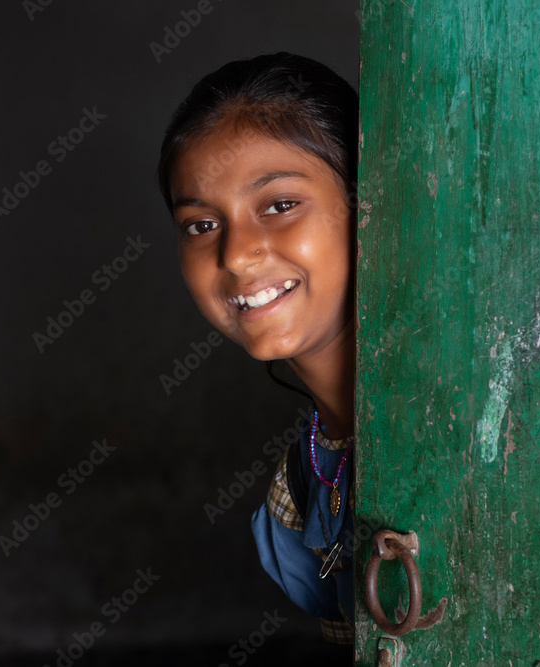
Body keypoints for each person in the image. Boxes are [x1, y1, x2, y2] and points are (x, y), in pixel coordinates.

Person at [157, 52, 358, 643]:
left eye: (279, 205)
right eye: (201, 224)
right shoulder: (296, 496)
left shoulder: (477, 425)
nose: (237, 253)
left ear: (364, 202)